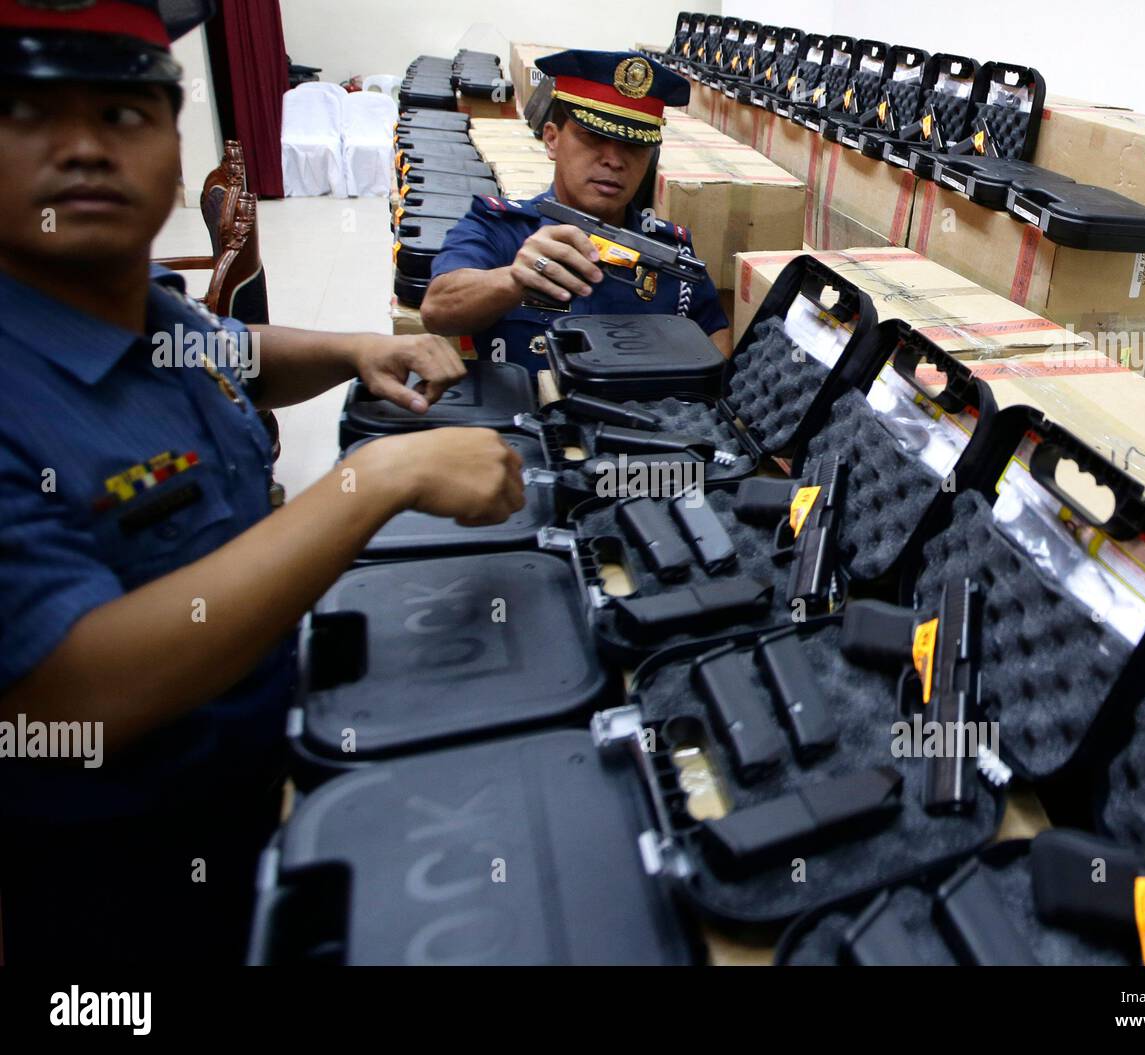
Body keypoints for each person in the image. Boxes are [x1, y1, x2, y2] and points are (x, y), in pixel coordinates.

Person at [0, 0, 524, 964]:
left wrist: (354, 346)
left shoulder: (130, 300)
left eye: (122, 114)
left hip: (282, 771)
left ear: (170, 136)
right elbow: (62, 698)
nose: (82, 149)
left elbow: (231, 352)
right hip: (137, 888)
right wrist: (377, 477)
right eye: (30, 112)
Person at [420, 49, 731, 375]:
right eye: (594, 138)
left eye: (634, 146)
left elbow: (715, 335)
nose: (614, 160)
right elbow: (437, 309)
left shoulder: (669, 251)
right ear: (552, 141)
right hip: (530, 419)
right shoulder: (501, 227)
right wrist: (513, 280)